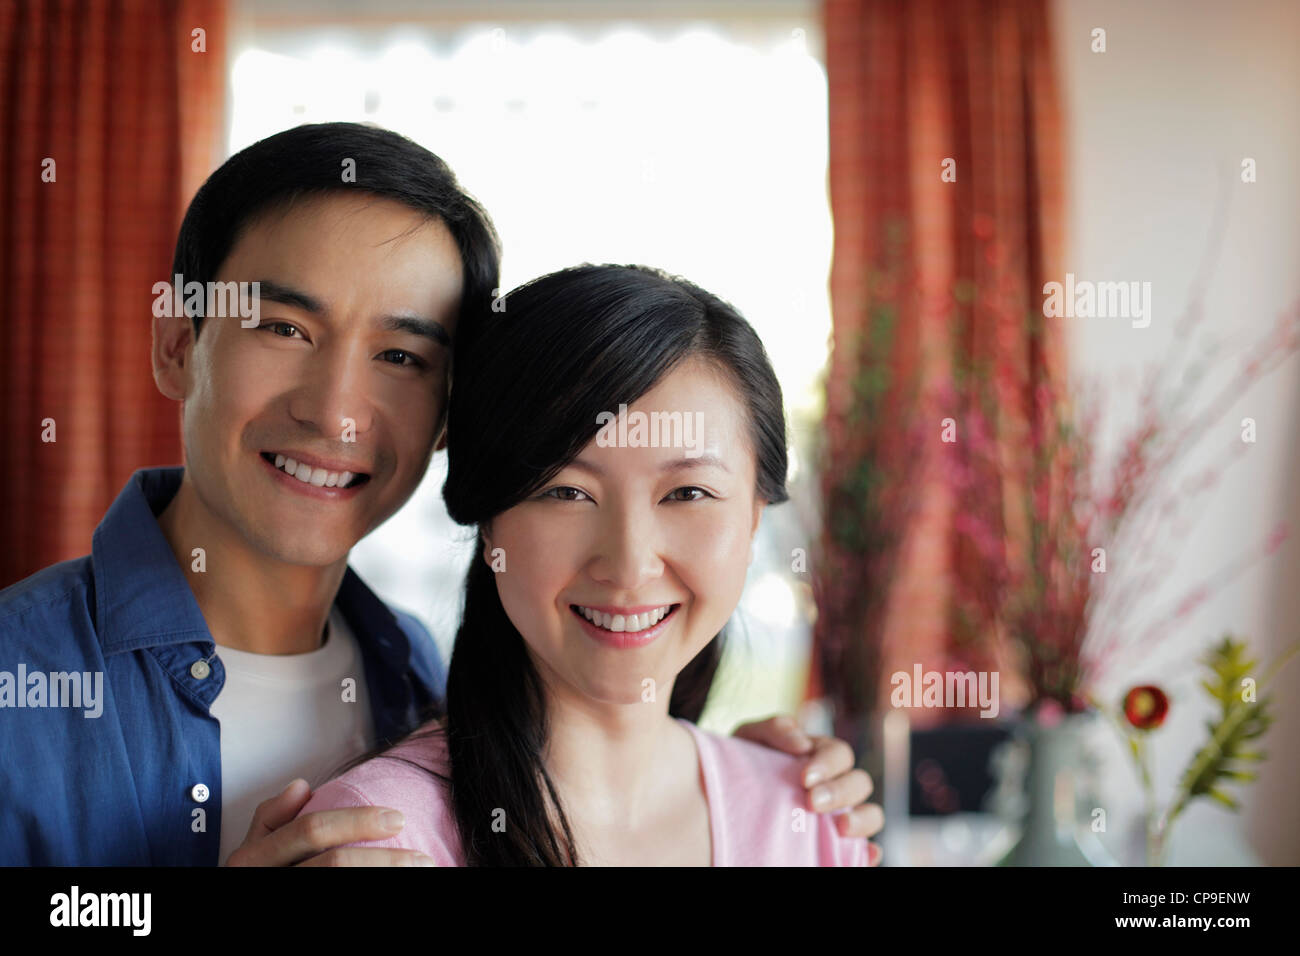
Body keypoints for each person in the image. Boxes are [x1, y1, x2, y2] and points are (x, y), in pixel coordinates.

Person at [0, 124, 881, 866]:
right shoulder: (21, 680)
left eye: (401, 357)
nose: (338, 413)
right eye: (283, 328)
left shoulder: (408, 668)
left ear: (452, 417)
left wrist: (747, 779)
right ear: (177, 345)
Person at [302, 264, 871, 865]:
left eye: (687, 494)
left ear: (755, 516)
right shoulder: (378, 840)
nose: (629, 566)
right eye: (566, 493)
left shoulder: (812, 821)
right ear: (489, 519)